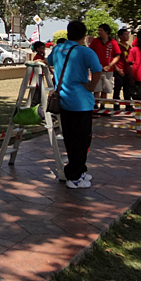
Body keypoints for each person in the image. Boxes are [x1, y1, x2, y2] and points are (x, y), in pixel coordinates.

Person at [47, 21, 102, 189]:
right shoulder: (85, 51)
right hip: (81, 103)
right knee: (82, 140)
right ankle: (74, 175)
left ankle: (79, 169)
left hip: (63, 101)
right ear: (84, 35)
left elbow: (48, 61)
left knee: (70, 139)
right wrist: (92, 87)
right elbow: (98, 70)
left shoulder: (57, 49)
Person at [89, 24, 120, 100]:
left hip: (108, 70)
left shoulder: (113, 42)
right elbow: (90, 53)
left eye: (101, 30)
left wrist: (110, 65)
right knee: (96, 90)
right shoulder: (95, 41)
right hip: (97, 70)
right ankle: (95, 107)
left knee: (105, 90)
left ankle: (103, 107)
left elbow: (117, 55)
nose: (98, 32)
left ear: (106, 32)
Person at [114, 27, 133, 101]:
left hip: (127, 70)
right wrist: (117, 69)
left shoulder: (129, 47)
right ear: (120, 36)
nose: (127, 36)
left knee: (127, 89)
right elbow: (113, 58)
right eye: (125, 35)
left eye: (128, 34)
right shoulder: (117, 46)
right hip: (119, 69)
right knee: (117, 88)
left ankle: (128, 105)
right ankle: (116, 105)